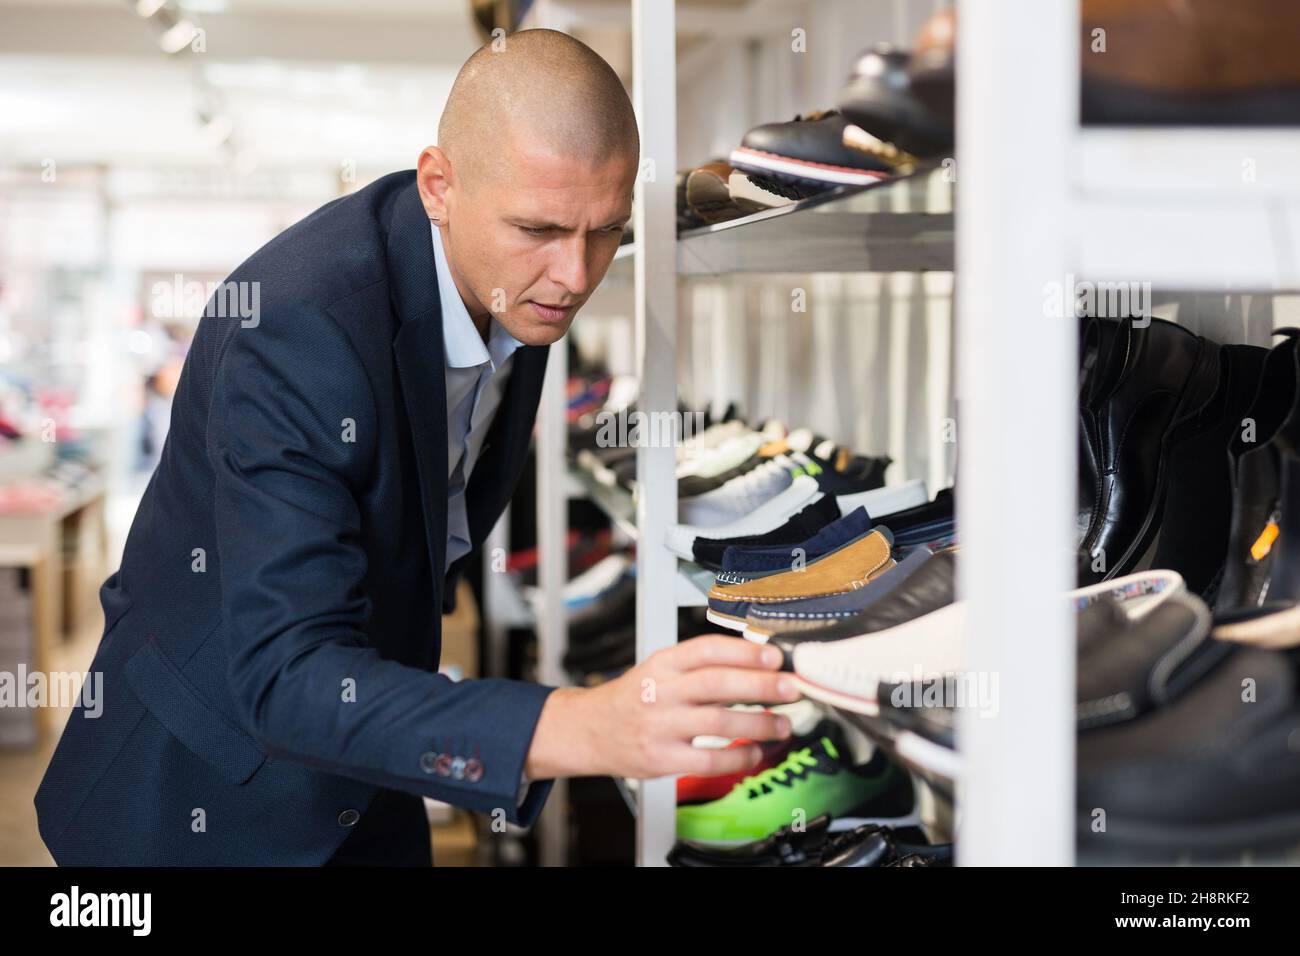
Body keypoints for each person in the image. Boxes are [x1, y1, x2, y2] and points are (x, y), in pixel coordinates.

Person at [35, 29, 796, 866]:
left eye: (605, 231)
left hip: (368, 772)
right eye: (539, 227)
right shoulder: (298, 325)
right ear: (439, 185)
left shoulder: (518, 286)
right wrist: (582, 725)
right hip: (194, 800)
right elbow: (286, 675)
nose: (576, 275)